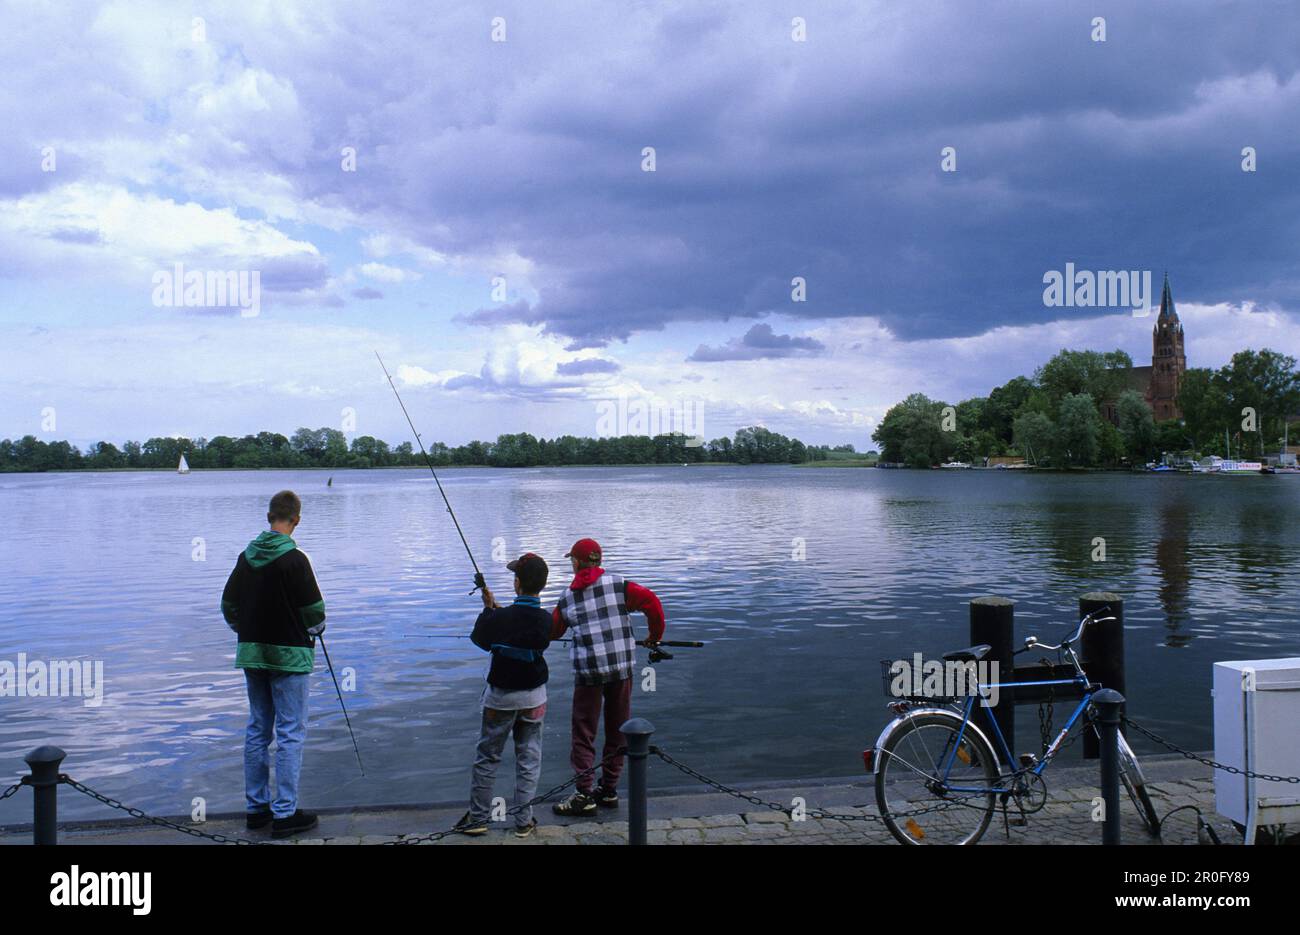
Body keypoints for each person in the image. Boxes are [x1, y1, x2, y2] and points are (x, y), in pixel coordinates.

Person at [220, 490, 326, 839]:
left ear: (269, 517)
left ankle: (256, 809)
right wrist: (316, 628)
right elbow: (314, 612)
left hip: (253, 654)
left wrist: (243, 629)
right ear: (296, 519)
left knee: (257, 728)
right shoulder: (295, 559)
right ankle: (284, 814)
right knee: (291, 732)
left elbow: (228, 605)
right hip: (290, 657)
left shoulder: (245, 557)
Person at [550, 538, 664, 816]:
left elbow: (552, 632)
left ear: (576, 562)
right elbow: (651, 602)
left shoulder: (567, 597)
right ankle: (609, 789)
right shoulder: (620, 585)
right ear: (598, 560)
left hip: (589, 672)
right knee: (618, 729)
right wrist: (654, 637)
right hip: (621, 668)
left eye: (571, 560)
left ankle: (584, 793)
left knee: (583, 732)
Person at [456, 553, 552, 838]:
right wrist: (497, 612)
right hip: (534, 698)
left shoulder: (499, 619)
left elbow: (480, 639)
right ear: (542, 586)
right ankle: (524, 821)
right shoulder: (546, 620)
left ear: (517, 583)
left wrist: (489, 610)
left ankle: (477, 819)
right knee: (529, 759)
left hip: (500, 699)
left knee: (487, 758)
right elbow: (523, 628)